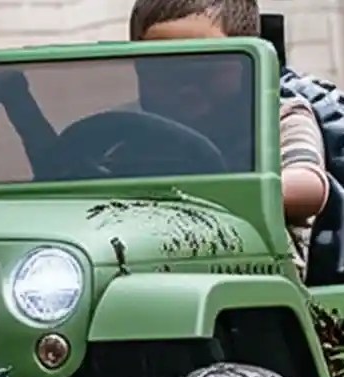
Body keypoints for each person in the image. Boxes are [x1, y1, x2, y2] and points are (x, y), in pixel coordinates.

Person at [129, 0, 329, 274]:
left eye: (205, 67)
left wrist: (210, 195)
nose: (184, 86)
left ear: (246, 63)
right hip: (138, 263)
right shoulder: (127, 127)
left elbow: (310, 185)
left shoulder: (276, 115)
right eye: (163, 70)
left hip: (258, 276)